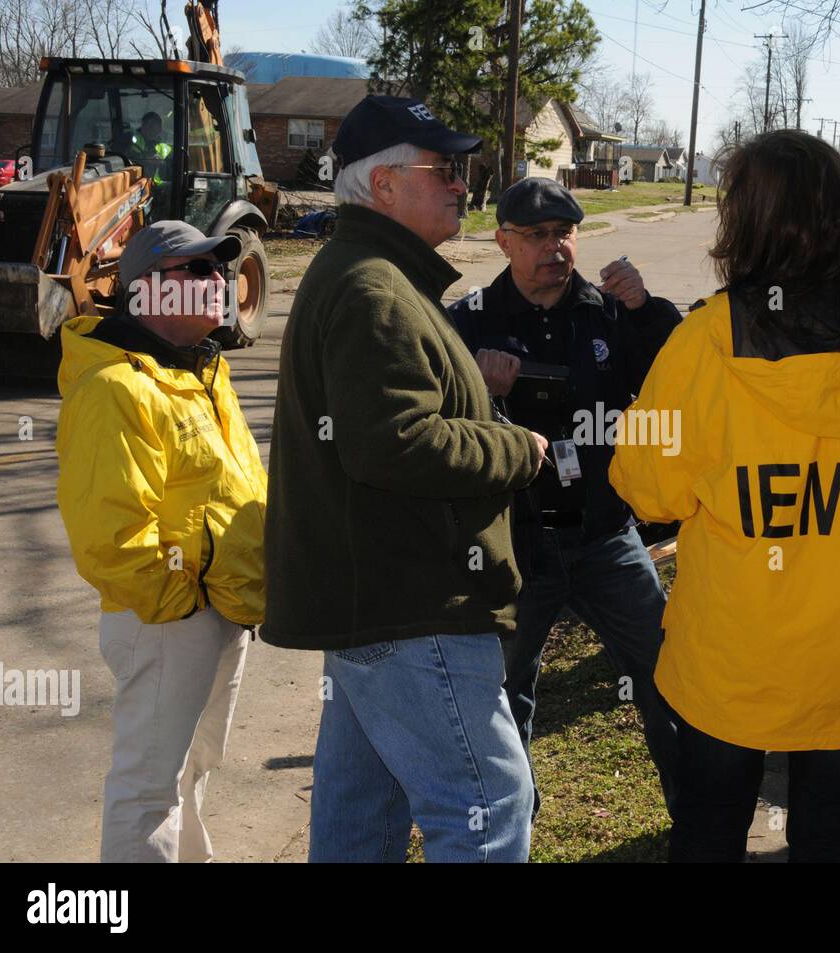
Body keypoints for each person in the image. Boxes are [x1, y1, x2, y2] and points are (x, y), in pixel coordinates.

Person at [608, 130, 840, 862]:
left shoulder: (705, 341)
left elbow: (646, 488)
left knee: (708, 831)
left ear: (744, 223)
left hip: (729, 658)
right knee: (833, 837)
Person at [262, 95, 545, 863]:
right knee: (486, 806)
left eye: (463, 170)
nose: (464, 185)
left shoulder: (377, 275)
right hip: (412, 605)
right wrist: (513, 448)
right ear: (381, 186)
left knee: (363, 810)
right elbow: (391, 443)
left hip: (377, 606)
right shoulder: (373, 290)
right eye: (444, 170)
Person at [446, 177, 682, 815]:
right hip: (516, 542)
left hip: (605, 535)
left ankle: (696, 821)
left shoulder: (608, 311)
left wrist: (645, 310)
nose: (554, 247)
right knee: (504, 688)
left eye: (564, 233)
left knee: (666, 671)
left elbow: (677, 377)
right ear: (503, 242)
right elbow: (437, 428)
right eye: (536, 235)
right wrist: (487, 393)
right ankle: (510, 822)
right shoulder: (467, 321)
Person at [56, 220, 265, 862]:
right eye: (196, 271)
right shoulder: (117, 386)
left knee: (192, 769)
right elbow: (113, 538)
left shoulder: (204, 370)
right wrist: (185, 604)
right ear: (146, 291)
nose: (217, 282)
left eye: (218, 271)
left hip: (220, 610)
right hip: (169, 618)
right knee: (149, 789)